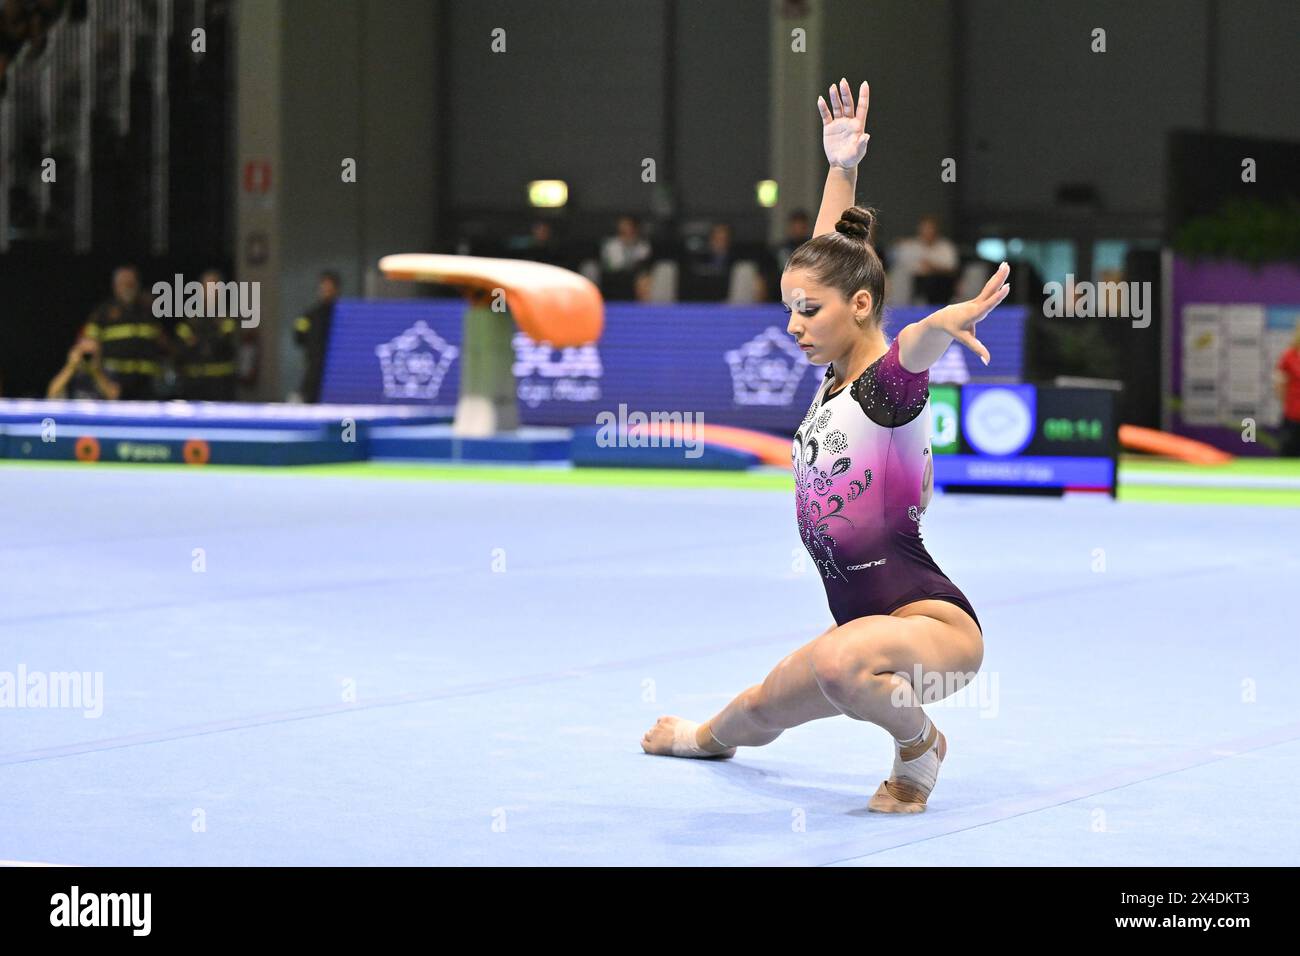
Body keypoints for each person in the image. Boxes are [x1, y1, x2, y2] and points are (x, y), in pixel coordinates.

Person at [642, 78, 1007, 814]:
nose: (794, 324)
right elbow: (835, 258)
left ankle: (920, 748)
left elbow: (913, 344)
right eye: (789, 309)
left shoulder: (888, 385)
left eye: (809, 311)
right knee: (758, 711)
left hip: (932, 636)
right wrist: (841, 168)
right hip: (862, 640)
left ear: (861, 308)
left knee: (841, 665)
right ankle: (703, 738)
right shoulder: (838, 374)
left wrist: (946, 320)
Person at [81, 265, 166, 400]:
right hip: (113, 383)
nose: (128, 287)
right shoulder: (102, 313)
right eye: (124, 283)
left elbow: (163, 345)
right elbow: (86, 346)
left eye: (131, 283)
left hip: (146, 386)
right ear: (115, 286)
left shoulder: (148, 312)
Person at [175, 270, 239, 401]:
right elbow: (181, 352)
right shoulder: (189, 321)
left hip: (221, 388)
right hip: (193, 388)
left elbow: (223, 346)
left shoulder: (229, 319)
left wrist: (198, 342)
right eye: (208, 287)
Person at [888, 214, 960, 306]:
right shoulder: (910, 246)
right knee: (899, 274)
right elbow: (901, 264)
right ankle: (899, 308)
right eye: (925, 228)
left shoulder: (946, 247)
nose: (928, 231)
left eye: (931, 228)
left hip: (940, 284)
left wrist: (933, 268)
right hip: (914, 283)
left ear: (936, 230)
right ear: (919, 229)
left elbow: (952, 268)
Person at [293, 270, 340, 403]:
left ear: (336, 290)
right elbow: (298, 337)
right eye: (323, 287)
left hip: (336, 370)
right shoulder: (310, 315)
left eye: (329, 288)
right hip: (314, 369)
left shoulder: (342, 316)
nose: (326, 291)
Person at [46, 336, 121, 400]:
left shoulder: (108, 370)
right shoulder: (72, 371)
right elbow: (52, 393)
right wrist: (70, 366)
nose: (87, 357)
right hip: (75, 414)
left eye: (91, 353)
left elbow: (113, 397)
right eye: (84, 353)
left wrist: (96, 372)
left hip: (99, 415)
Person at [1275, 320, 1300, 457]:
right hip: (1292, 418)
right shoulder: (1289, 356)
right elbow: (1279, 385)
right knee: (1288, 455)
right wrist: (1289, 404)